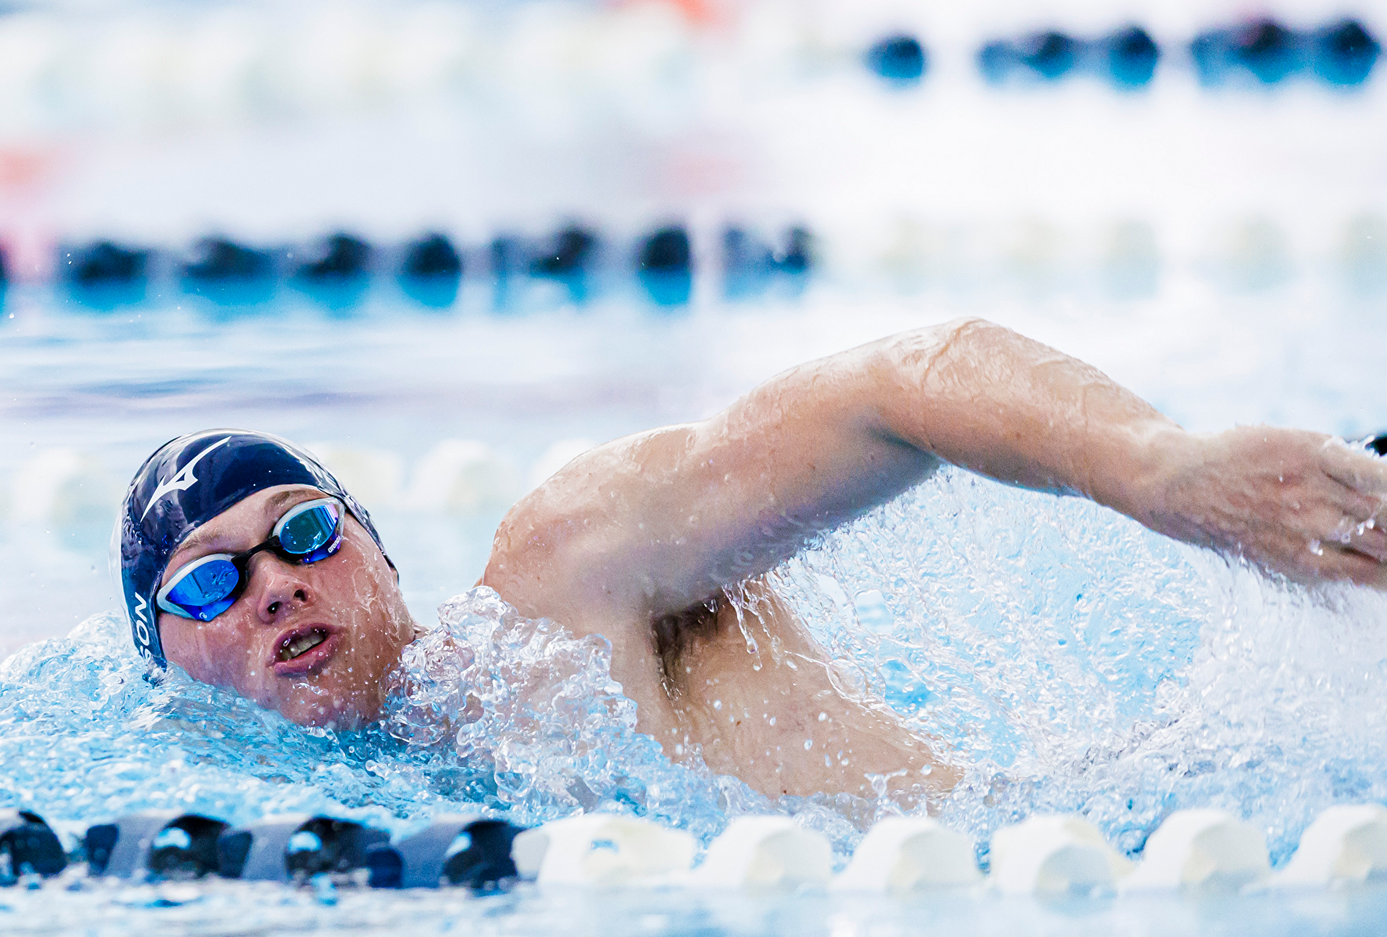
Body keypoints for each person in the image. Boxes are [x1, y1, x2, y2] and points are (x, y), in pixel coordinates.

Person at [118, 318, 1387, 806]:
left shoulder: (563, 583)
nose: (275, 582)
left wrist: (1164, 472)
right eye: (207, 583)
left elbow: (896, 381)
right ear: (162, 662)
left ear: (379, 556)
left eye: (300, 531)